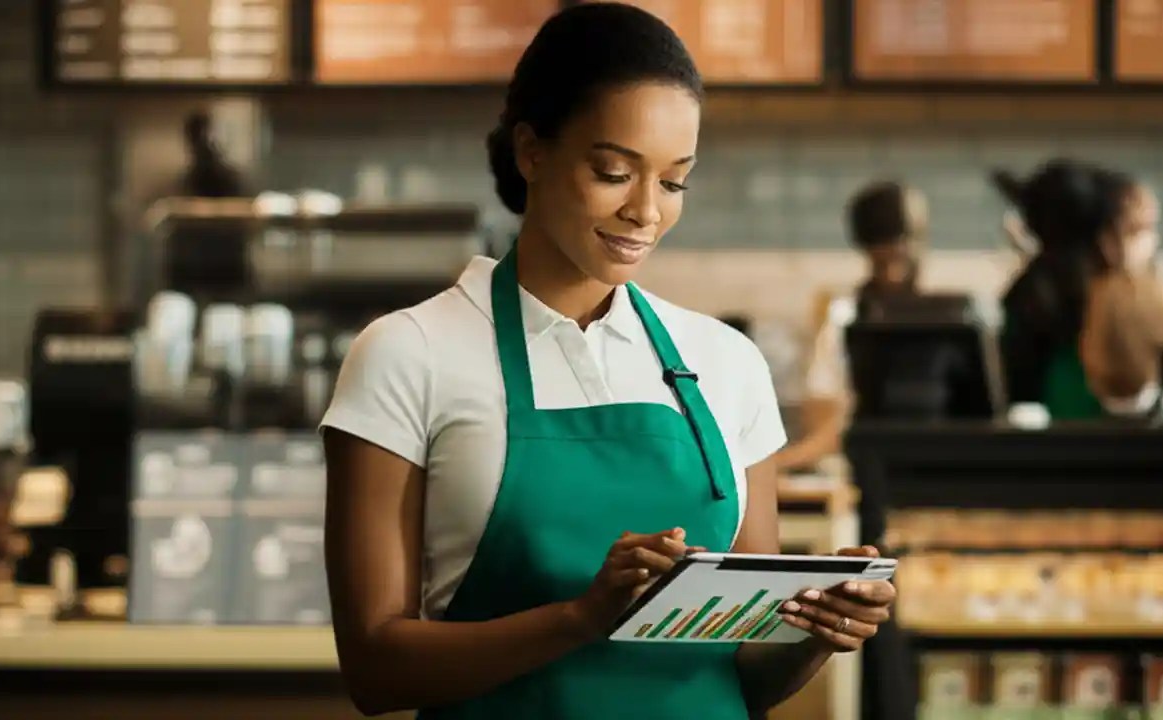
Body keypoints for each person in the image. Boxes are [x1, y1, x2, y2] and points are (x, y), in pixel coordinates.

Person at [319, 4, 896, 718]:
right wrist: (583, 618)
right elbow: (375, 670)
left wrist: (814, 631)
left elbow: (743, 677)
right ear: (532, 152)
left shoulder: (726, 364)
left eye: (674, 181)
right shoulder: (410, 354)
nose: (646, 211)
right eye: (615, 171)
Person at [995, 161, 1163, 423]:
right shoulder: (1115, 323)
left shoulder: (1025, 301)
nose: (1152, 242)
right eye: (1139, 229)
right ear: (1107, 241)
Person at [774, 180, 929, 472]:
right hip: (860, 470)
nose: (895, 268)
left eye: (905, 248)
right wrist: (787, 461)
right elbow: (823, 414)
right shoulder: (842, 316)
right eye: (885, 257)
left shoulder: (946, 318)